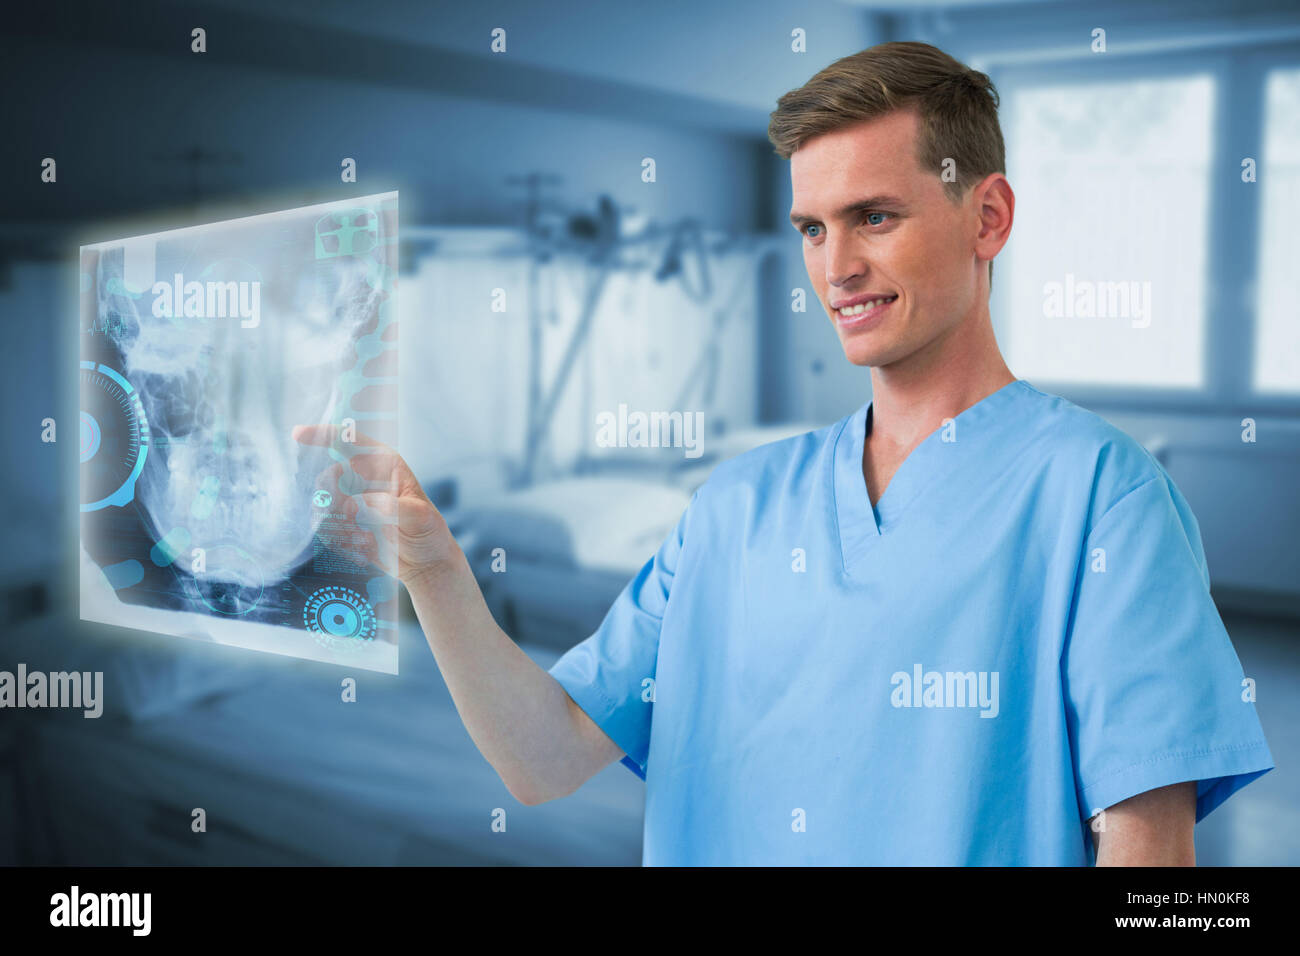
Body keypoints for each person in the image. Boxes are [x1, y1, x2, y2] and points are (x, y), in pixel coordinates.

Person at [295, 41, 1273, 866]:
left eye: (873, 217)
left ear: (987, 217)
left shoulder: (1102, 499)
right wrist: (429, 562)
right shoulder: (735, 505)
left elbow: (1152, 865)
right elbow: (542, 758)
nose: (834, 267)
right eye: (811, 227)